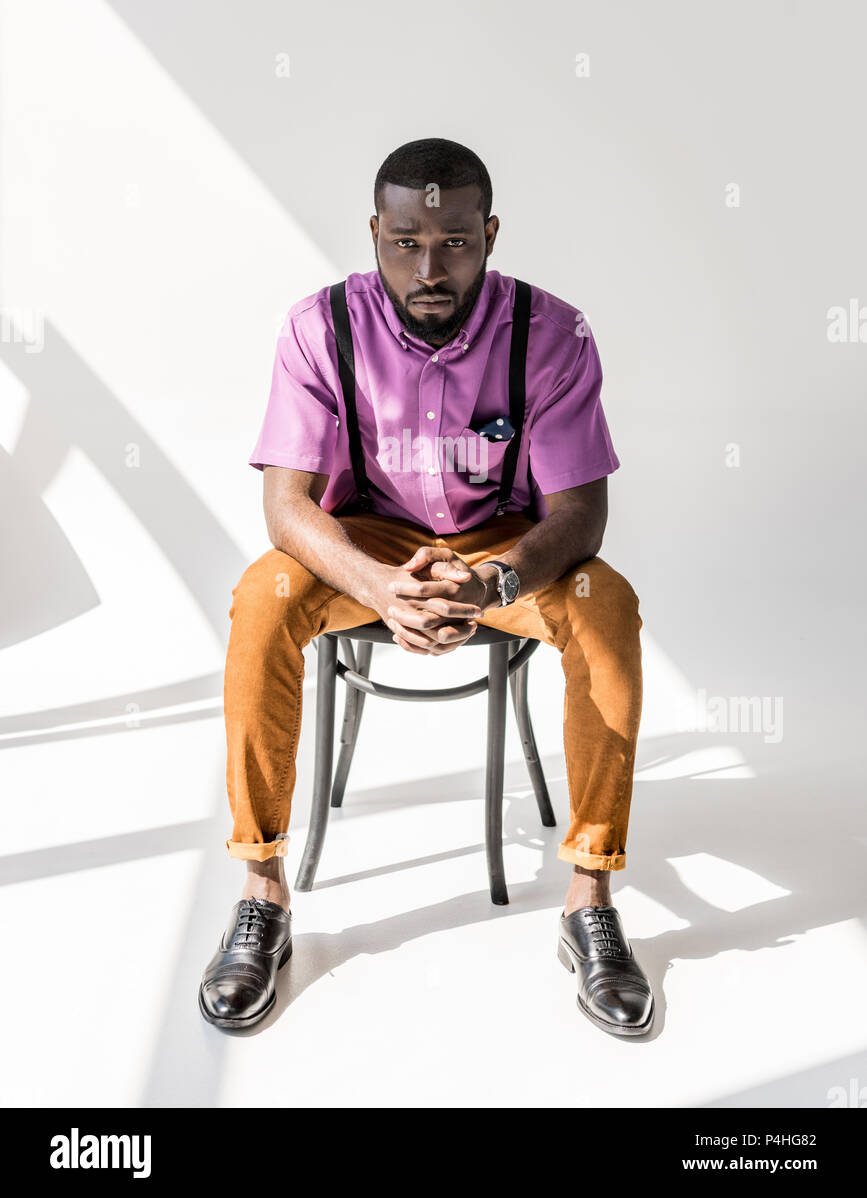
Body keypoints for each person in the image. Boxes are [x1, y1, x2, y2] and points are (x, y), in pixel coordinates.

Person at [198, 137, 653, 1038]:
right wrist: (379, 584)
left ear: (489, 233)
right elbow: (286, 506)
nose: (429, 264)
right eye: (404, 241)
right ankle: (262, 889)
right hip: (367, 543)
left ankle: (589, 898)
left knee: (609, 609)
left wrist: (490, 582)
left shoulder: (553, 334)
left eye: (453, 240)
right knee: (261, 600)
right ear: (374, 232)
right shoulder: (319, 327)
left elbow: (580, 517)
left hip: (504, 548)